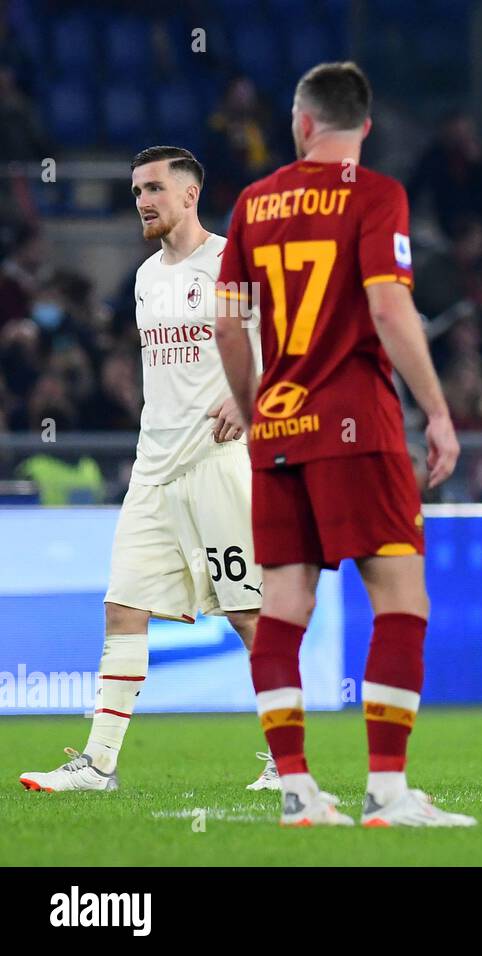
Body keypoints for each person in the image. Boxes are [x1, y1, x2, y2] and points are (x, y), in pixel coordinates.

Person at [215, 61, 473, 828]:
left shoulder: (254, 203)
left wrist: (252, 403)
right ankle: (388, 794)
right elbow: (390, 310)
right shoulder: (376, 193)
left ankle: (297, 791)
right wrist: (437, 409)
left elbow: (229, 323)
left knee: (284, 608)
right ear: (364, 127)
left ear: (300, 123)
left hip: (280, 428)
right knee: (401, 598)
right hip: (357, 423)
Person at [19, 147, 270, 793]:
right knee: (124, 610)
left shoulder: (231, 263)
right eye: (136, 191)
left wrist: (250, 393)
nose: (143, 202)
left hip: (217, 463)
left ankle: (286, 760)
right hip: (153, 469)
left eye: (154, 188)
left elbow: (285, 345)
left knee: (249, 616)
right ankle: (99, 765)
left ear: (190, 194)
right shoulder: (144, 277)